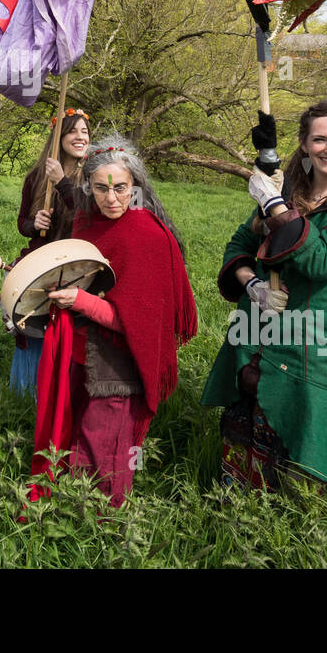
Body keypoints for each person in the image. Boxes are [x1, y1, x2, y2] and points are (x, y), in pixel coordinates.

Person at [199, 99, 327, 507]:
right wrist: (253, 283)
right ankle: (242, 513)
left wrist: (276, 208)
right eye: (320, 139)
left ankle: (311, 523)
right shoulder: (286, 192)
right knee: (251, 413)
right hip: (258, 330)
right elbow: (239, 245)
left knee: (315, 429)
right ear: (305, 145)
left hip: (319, 340)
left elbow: (320, 260)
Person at [30, 136, 197, 509]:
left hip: (119, 363)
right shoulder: (87, 222)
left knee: (102, 443)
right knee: (76, 431)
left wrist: (81, 301)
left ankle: (101, 522)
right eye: (101, 189)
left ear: (135, 186)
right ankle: (68, 509)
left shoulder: (147, 236)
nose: (111, 199)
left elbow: (139, 322)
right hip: (81, 351)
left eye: (121, 188)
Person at [8, 109, 91, 395]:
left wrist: (61, 182)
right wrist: (34, 224)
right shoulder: (35, 177)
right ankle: (28, 391)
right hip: (38, 263)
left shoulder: (92, 178)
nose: (81, 137)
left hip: (73, 267)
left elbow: (85, 217)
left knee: (65, 330)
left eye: (85, 133)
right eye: (74, 132)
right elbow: (21, 223)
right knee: (31, 325)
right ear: (59, 137)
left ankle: (61, 393)